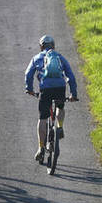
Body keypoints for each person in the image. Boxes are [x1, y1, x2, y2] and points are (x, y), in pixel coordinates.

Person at [24, 34, 78, 162]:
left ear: (41, 46)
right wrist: (73, 94)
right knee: (60, 106)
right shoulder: (59, 57)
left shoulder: (36, 58)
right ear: (53, 46)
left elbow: (28, 74)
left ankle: (41, 148)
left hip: (45, 90)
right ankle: (59, 126)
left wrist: (29, 89)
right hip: (60, 88)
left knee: (43, 118)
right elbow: (70, 75)